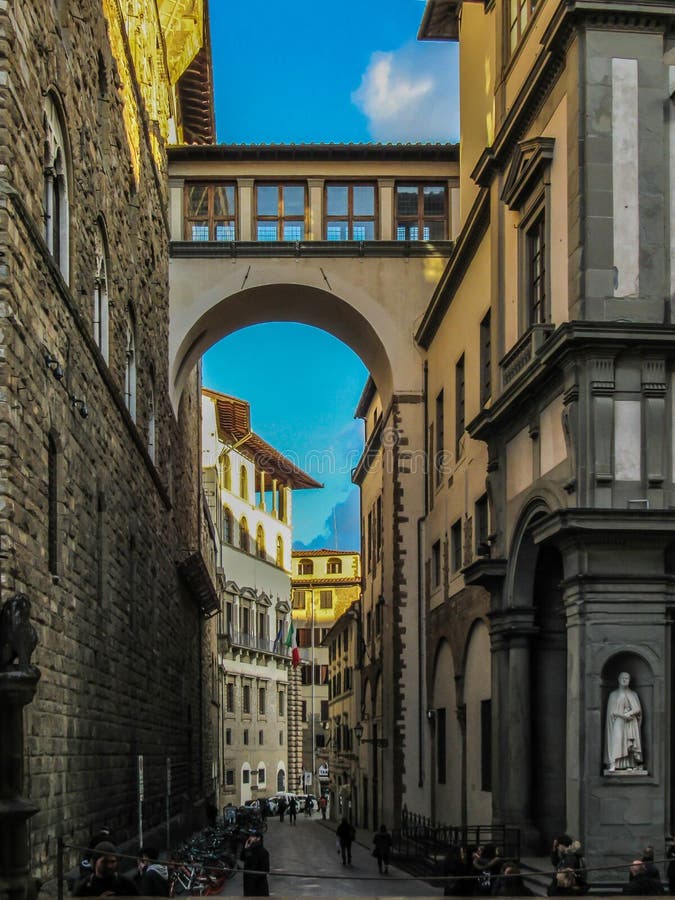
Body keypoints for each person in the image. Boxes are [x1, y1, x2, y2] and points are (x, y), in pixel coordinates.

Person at [606, 672, 643, 772]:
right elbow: (611, 712)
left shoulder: (632, 694)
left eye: (627, 678)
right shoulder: (613, 694)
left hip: (630, 722)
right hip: (618, 721)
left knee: (629, 743)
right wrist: (623, 715)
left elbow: (637, 709)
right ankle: (614, 763)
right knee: (617, 740)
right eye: (622, 678)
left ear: (629, 680)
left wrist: (629, 714)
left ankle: (630, 764)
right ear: (618, 679)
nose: (624, 680)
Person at [72, 841, 139, 896]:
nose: (109, 866)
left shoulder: (126, 884)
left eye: (112, 862)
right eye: (104, 862)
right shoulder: (84, 887)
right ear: (95, 862)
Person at [240, 831, 270, 897]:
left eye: (252, 836)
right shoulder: (249, 849)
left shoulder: (263, 852)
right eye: (250, 836)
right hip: (249, 882)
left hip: (258, 885)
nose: (250, 838)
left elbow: (266, 869)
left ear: (258, 838)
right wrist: (245, 849)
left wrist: (253, 878)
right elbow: (242, 858)